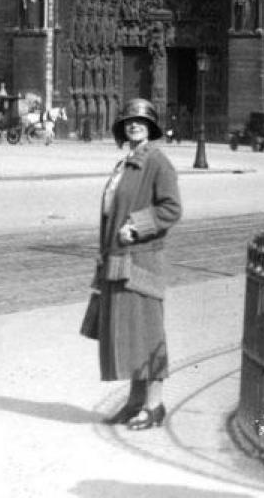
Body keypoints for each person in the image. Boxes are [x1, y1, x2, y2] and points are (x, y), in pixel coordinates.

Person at [91, 98, 182, 429]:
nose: (134, 125)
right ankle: (134, 402)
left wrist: (137, 226)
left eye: (140, 122)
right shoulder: (127, 162)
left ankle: (155, 407)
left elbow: (171, 208)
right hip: (120, 261)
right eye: (129, 121)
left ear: (151, 128)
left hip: (141, 261)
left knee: (148, 332)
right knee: (131, 334)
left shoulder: (157, 162)